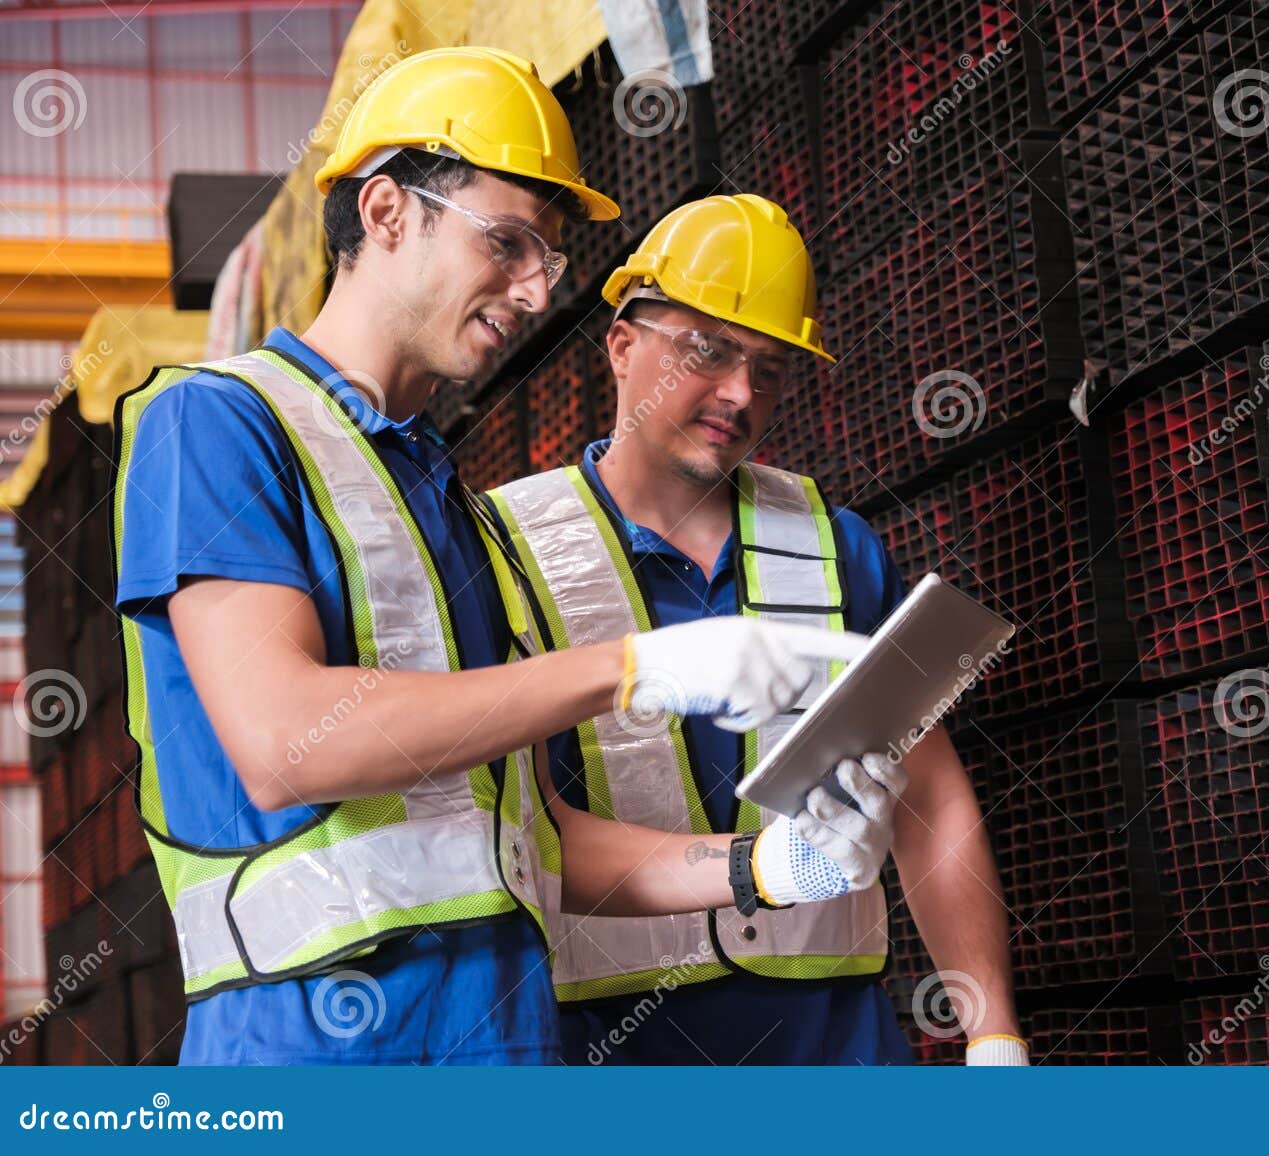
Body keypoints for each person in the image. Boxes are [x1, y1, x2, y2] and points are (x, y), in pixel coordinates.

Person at [111, 47, 897, 1066]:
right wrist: (633, 667)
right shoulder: (215, 426)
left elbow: (534, 837)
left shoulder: (454, 510)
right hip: (316, 1056)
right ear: (386, 211)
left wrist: (766, 866)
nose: (533, 293)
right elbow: (285, 741)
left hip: (508, 1052)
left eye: (549, 260)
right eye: (508, 243)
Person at [484, 194, 1028, 1065]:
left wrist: (992, 1029)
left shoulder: (836, 549)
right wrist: (758, 868)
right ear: (621, 346)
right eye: (708, 350)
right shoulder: (504, 551)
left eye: (769, 369)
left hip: (839, 1050)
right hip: (615, 1056)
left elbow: (928, 794)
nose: (740, 394)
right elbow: (515, 835)